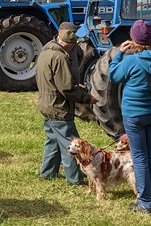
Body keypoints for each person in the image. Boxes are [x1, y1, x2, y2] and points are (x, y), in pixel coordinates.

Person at [108, 20, 151, 214]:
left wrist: (120, 53)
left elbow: (113, 76)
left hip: (134, 114)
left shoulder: (130, 60)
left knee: (139, 157)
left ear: (133, 39)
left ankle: (145, 202)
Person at [37, 22, 98, 185]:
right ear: (70, 45)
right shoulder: (61, 57)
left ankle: (47, 172)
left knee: (53, 140)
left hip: (46, 104)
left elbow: (54, 80)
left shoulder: (46, 50)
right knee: (70, 146)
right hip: (59, 108)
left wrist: (76, 86)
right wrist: (88, 98)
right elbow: (67, 89)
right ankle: (75, 179)